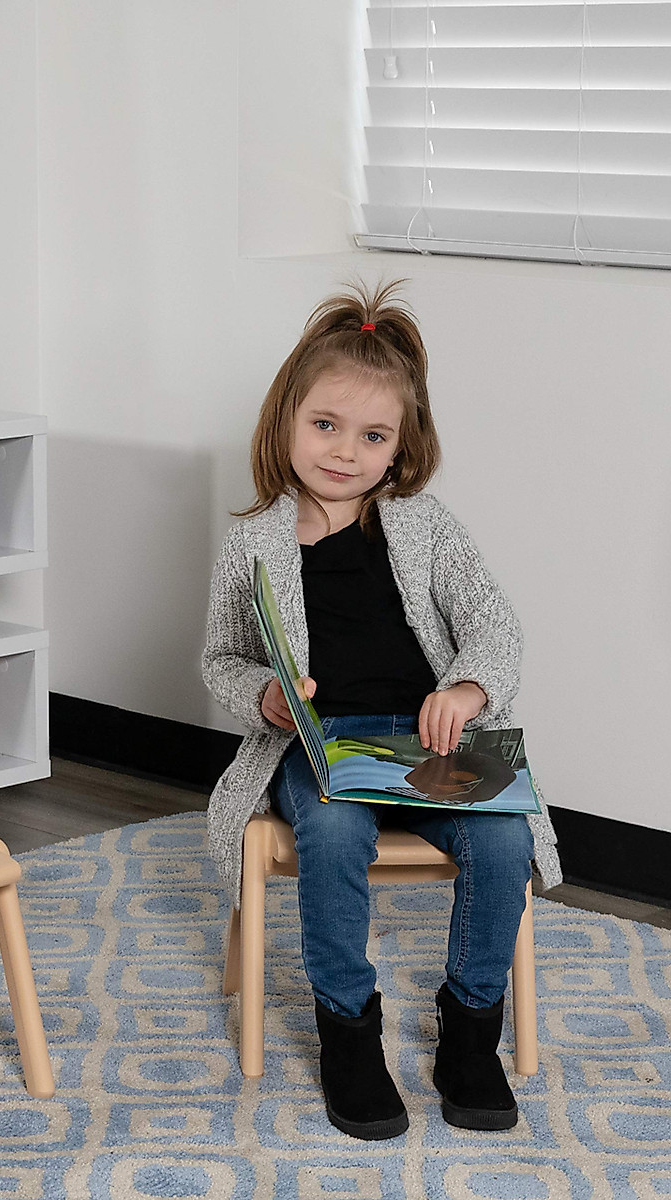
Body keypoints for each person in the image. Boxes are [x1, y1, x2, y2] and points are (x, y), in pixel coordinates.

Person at [201, 280, 561, 1140]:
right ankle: (348, 1032)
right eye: (325, 425)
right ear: (286, 421)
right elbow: (221, 658)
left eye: (372, 436)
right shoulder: (254, 543)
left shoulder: (425, 525)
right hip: (322, 747)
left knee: (502, 843)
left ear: (402, 447)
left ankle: (469, 1032)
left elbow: (495, 626)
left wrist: (466, 690)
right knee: (331, 836)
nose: (344, 452)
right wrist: (265, 695)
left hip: (429, 742)